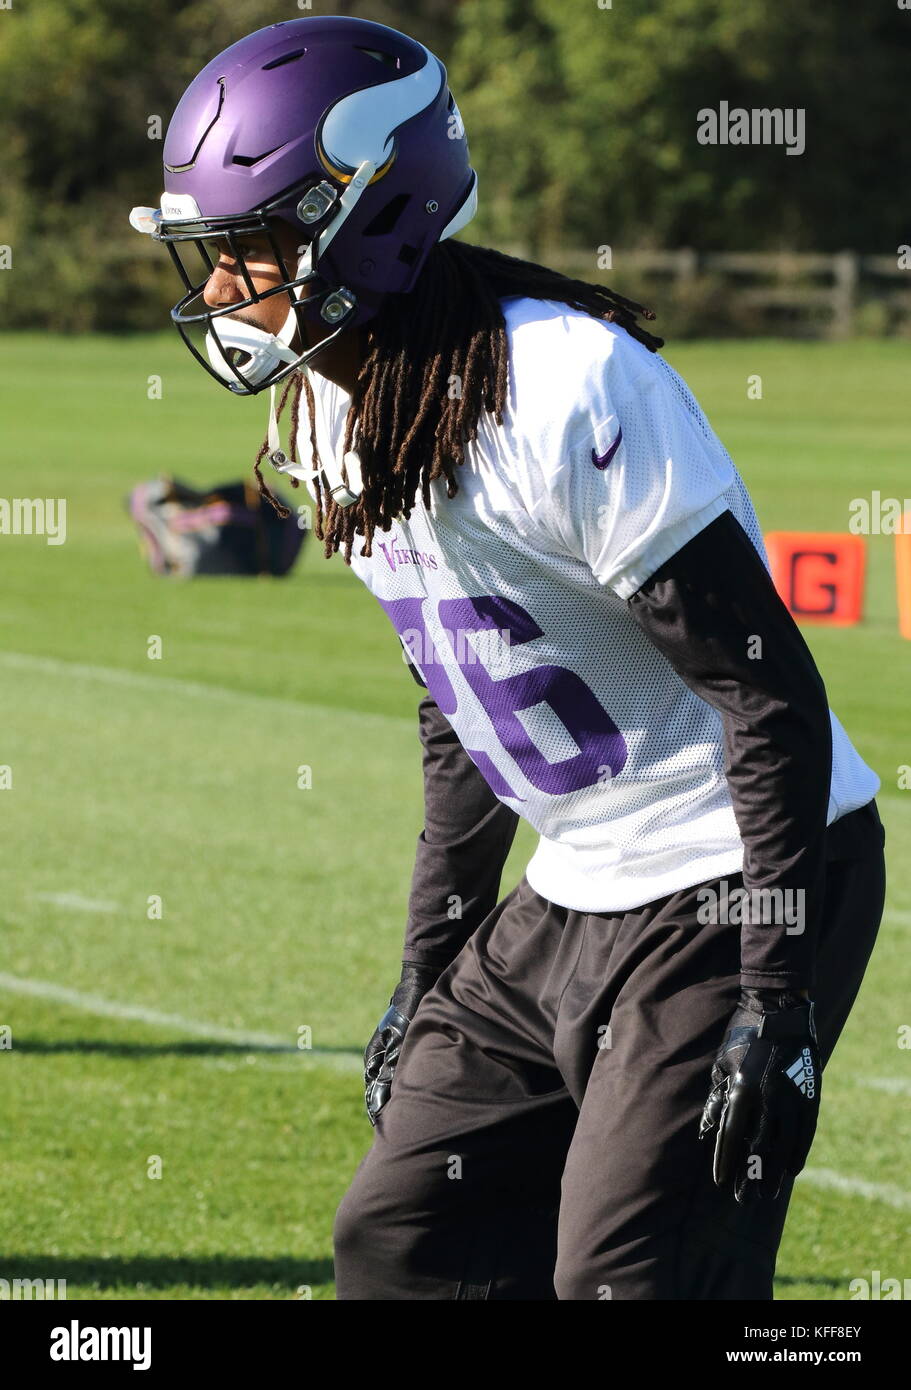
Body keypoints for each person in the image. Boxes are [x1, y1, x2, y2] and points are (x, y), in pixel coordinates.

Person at [131, 14, 886, 1299]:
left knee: (627, 1277)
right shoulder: (320, 401)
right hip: (579, 879)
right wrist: (430, 966)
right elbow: (460, 712)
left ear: (365, 215)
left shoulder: (562, 384)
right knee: (404, 1238)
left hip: (731, 870)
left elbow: (763, 690)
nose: (217, 294)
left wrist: (777, 990)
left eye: (245, 255)